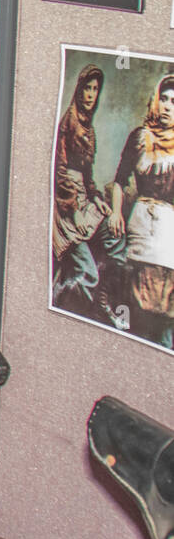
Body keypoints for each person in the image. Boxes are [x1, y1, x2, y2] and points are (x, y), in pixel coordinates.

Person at [105, 73, 174, 348]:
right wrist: (115, 212)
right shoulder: (140, 137)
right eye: (164, 99)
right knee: (134, 298)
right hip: (141, 222)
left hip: (169, 227)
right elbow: (120, 180)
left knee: (165, 302)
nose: (168, 106)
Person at [52, 64, 122, 318]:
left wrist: (97, 200)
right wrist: (76, 213)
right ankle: (58, 301)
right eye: (87, 88)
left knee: (116, 239)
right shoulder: (68, 123)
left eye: (95, 89)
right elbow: (59, 172)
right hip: (66, 206)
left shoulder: (89, 129)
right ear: (79, 90)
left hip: (83, 198)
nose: (91, 94)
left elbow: (89, 176)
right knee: (87, 274)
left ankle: (103, 302)